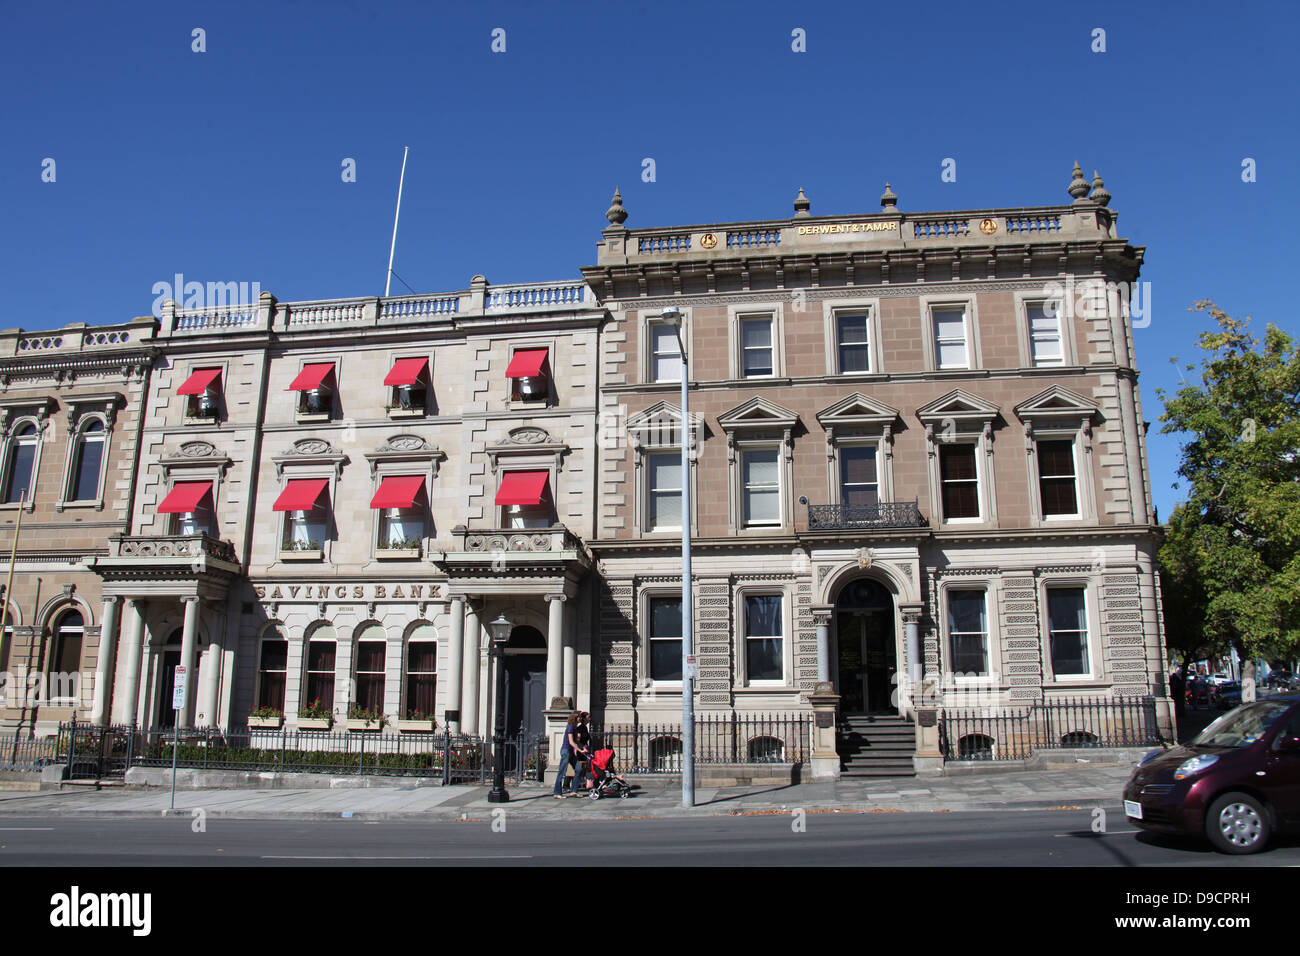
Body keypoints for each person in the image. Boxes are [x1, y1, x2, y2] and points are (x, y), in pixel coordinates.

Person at [552, 711, 581, 799]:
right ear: (575, 718)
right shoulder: (570, 727)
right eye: (579, 717)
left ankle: (574, 791)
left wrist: (581, 747)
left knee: (578, 769)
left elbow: (576, 742)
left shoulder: (575, 728)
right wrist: (579, 749)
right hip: (566, 751)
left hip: (571, 752)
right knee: (562, 771)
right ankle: (557, 792)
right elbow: (571, 742)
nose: (580, 718)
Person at [570, 711, 592, 794]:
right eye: (588, 717)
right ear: (584, 718)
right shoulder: (580, 728)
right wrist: (581, 748)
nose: (589, 719)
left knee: (583, 767)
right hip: (581, 750)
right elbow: (577, 740)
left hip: (584, 749)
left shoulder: (585, 727)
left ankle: (580, 783)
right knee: (579, 768)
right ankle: (573, 784)